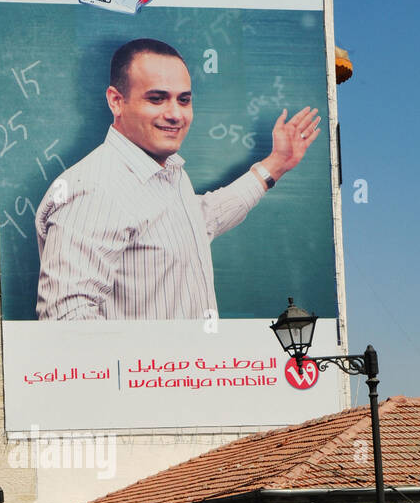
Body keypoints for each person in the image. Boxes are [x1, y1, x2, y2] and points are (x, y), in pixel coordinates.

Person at [35, 38, 320, 321]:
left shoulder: (169, 172)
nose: (174, 114)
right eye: (157, 98)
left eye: (183, 100)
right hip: (149, 368)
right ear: (116, 101)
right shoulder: (93, 189)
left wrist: (276, 165)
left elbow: (201, 219)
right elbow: (65, 318)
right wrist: (146, 366)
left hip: (190, 366)